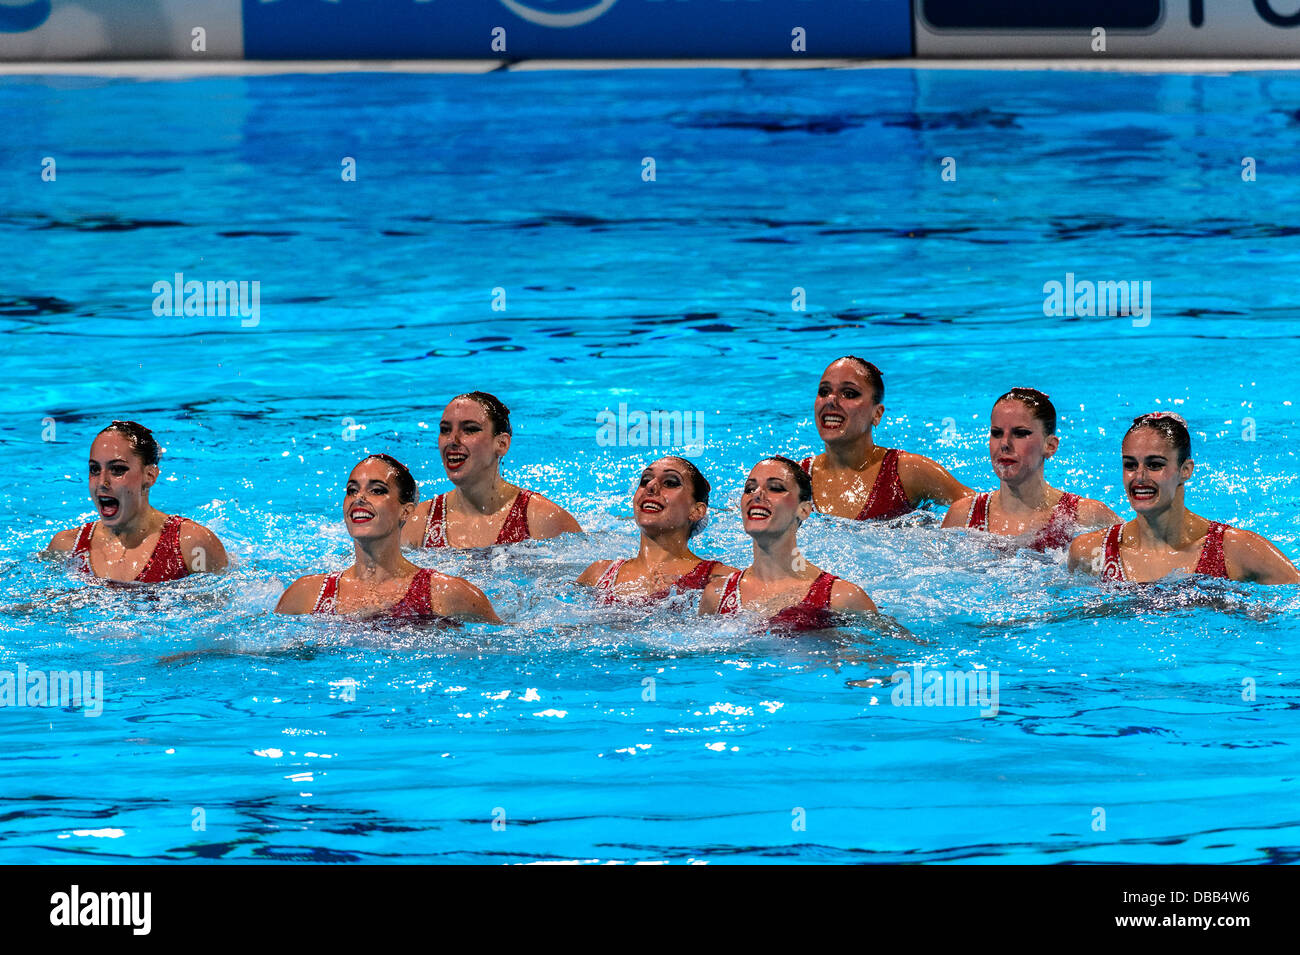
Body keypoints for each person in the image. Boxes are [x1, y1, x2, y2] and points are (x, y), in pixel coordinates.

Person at [1069, 413, 1300, 584]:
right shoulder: (1090, 551)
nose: (1139, 477)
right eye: (1130, 465)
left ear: (1185, 470)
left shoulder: (1237, 550)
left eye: (1154, 465)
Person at [277, 454, 500, 620]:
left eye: (377, 490)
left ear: (406, 511)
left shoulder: (446, 594)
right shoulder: (307, 595)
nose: (359, 498)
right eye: (352, 490)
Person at [700, 456, 877, 631]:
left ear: (804, 510)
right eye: (749, 488)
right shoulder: (717, 596)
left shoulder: (842, 597)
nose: (757, 495)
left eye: (775, 488)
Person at [45, 420, 228, 582]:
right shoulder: (67, 547)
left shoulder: (192, 545)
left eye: (117, 469)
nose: (102, 482)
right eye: (94, 469)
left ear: (149, 475)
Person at [942, 387, 1118, 550]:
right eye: (996, 433)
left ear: (1050, 446)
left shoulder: (1086, 517)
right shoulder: (963, 516)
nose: (1004, 444)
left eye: (1020, 433)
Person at [402, 392, 581, 549]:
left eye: (470, 430)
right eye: (445, 430)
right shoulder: (418, 522)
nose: (452, 440)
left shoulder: (543, 520)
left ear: (502, 444)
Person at [800, 356, 971, 520]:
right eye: (824, 391)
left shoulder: (907, 472)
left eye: (849, 393)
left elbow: (982, 509)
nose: (831, 400)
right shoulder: (795, 479)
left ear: (877, 414)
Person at [576, 456, 736, 604]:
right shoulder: (598, 574)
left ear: (696, 511)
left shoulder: (719, 579)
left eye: (671, 483)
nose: (651, 486)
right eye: (645, 480)